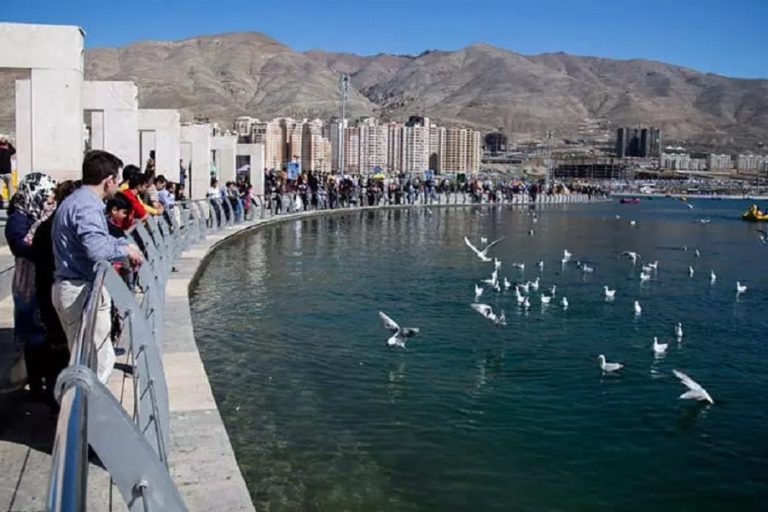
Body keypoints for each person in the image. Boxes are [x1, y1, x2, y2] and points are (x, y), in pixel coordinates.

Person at [52, 150, 143, 384]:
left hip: (73, 287)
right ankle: (89, 414)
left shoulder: (77, 201)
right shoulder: (87, 206)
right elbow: (95, 249)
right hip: (79, 289)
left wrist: (122, 244)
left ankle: (86, 413)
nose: (119, 185)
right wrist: (125, 250)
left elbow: (99, 240)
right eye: (117, 179)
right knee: (97, 361)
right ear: (108, 180)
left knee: (87, 359)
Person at [5, 172, 57, 402]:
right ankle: (36, 383)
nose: (50, 202)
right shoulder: (19, 218)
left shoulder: (36, 214)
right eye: (46, 198)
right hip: (28, 283)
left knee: (43, 333)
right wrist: (41, 230)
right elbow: (20, 247)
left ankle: (42, 379)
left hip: (42, 279)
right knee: (34, 335)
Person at [31, 180, 80, 411]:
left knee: (57, 345)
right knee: (61, 348)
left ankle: (56, 399)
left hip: (47, 292)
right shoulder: (60, 229)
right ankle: (59, 400)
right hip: (58, 292)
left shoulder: (45, 227)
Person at [0, 134, 16, 203]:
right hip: (7, 173)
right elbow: (14, 150)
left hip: (0, 173)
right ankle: (11, 202)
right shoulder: (8, 151)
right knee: (10, 189)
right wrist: (8, 142)